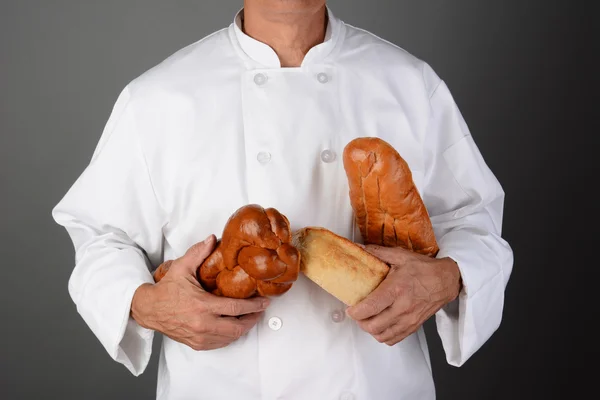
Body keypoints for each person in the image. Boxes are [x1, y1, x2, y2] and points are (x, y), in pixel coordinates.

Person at [52, 1, 514, 399]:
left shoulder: (410, 85)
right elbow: (99, 236)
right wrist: (146, 303)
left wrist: (447, 278)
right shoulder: (160, 99)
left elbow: (474, 223)